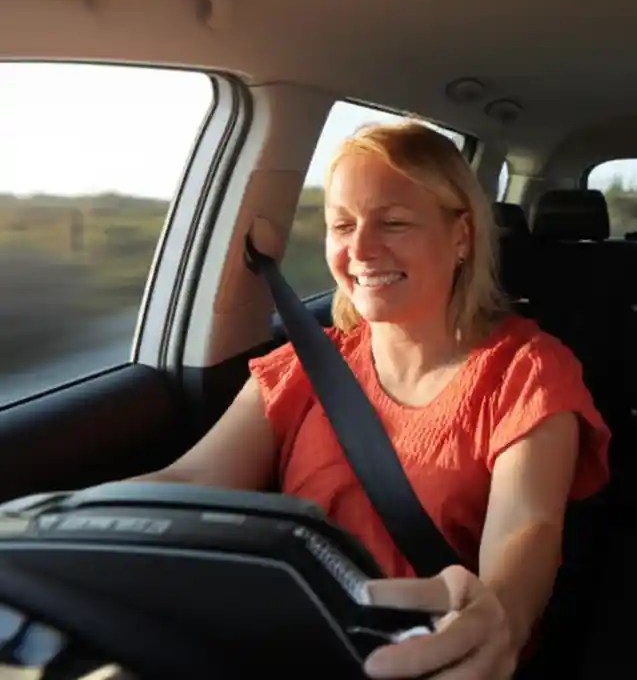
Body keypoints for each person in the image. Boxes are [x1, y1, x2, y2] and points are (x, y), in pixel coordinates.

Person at [130, 121, 611, 677]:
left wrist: (499, 615)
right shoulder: (305, 366)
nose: (359, 249)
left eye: (394, 222)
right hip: (294, 647)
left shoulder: (527, 371)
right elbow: (192, 481)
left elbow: (529, 526)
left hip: (436, 661)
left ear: (462, 237)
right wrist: (43, 519)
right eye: (342, 225)